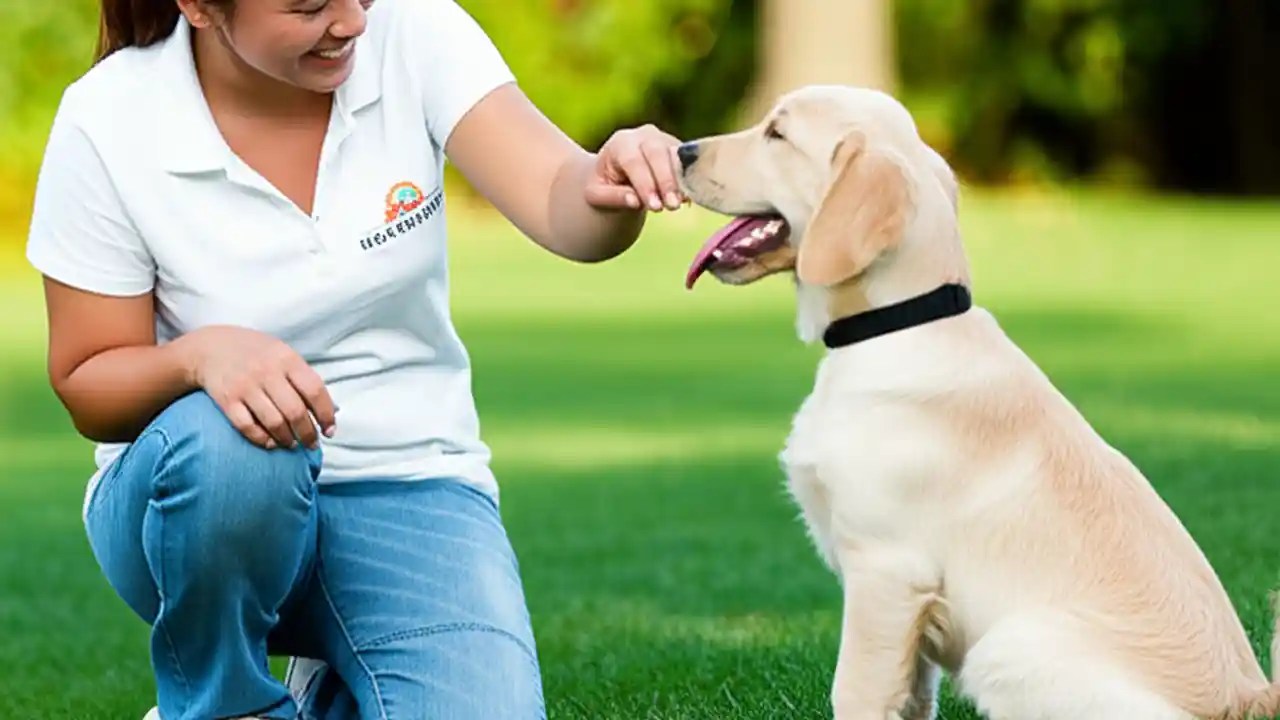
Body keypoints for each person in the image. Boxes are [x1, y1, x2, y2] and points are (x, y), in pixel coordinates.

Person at [25, 0, 688, 718]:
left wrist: (608, 188)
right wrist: (199, 358)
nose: (351, 21)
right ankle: (222, 704)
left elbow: (563, 202)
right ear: (199, 6)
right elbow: (88, 380)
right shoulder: (110, 115)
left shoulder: (419, 34)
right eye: (310, 6)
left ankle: (331, 688)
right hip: (199, 508)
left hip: (409, 486)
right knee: (232, 445)